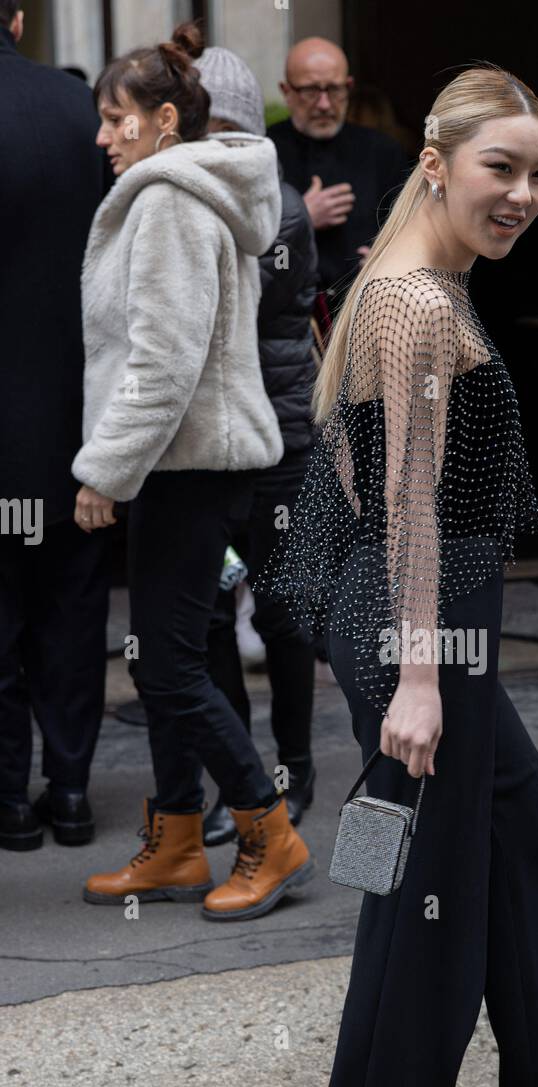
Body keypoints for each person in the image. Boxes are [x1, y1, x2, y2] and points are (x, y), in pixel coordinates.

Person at [256, 62, 538, 1087]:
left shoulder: (408, 279)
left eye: (536, 173)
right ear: (436, 158)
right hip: (427, 629)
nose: (522, 192)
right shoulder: (418, 299)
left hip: (412, 622)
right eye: (500, 167)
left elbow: (361, 485)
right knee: (421, 906)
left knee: (527, 843)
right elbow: (409, 501)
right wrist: (414, 676)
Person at [71, 21, 314, 921]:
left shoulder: (171, 201)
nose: (102, 136)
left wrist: (104, 472)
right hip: (183, 465)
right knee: (164, 662)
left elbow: (165, 363)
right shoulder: (182, 190)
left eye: (114, 119)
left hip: (185, 466)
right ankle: (177, 841)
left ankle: (268, 831)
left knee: (171, 669)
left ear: (163, 120)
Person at [190, 44, 320, 843]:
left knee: (282, 614)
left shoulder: (283, 208)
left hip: (274, 438)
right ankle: (237, 779)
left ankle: (292, 770)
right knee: (208, 615)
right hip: (211, 442)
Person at [0, 1, 110, 852]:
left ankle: (6, 800)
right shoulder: (84, 111)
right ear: (22, 18)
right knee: (71, 609)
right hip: (76, 416)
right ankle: (69, 793)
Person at [268, 36, 410, 312]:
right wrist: (301, 218)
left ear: (349, 87)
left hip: (370, 315)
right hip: (290, 319)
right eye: (310, 91)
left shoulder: (383, 152)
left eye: (334, 90)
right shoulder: (265, 153)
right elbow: (246, 250)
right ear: (286, 91)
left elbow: (414, 231)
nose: (324, 104)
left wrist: (390, 259)